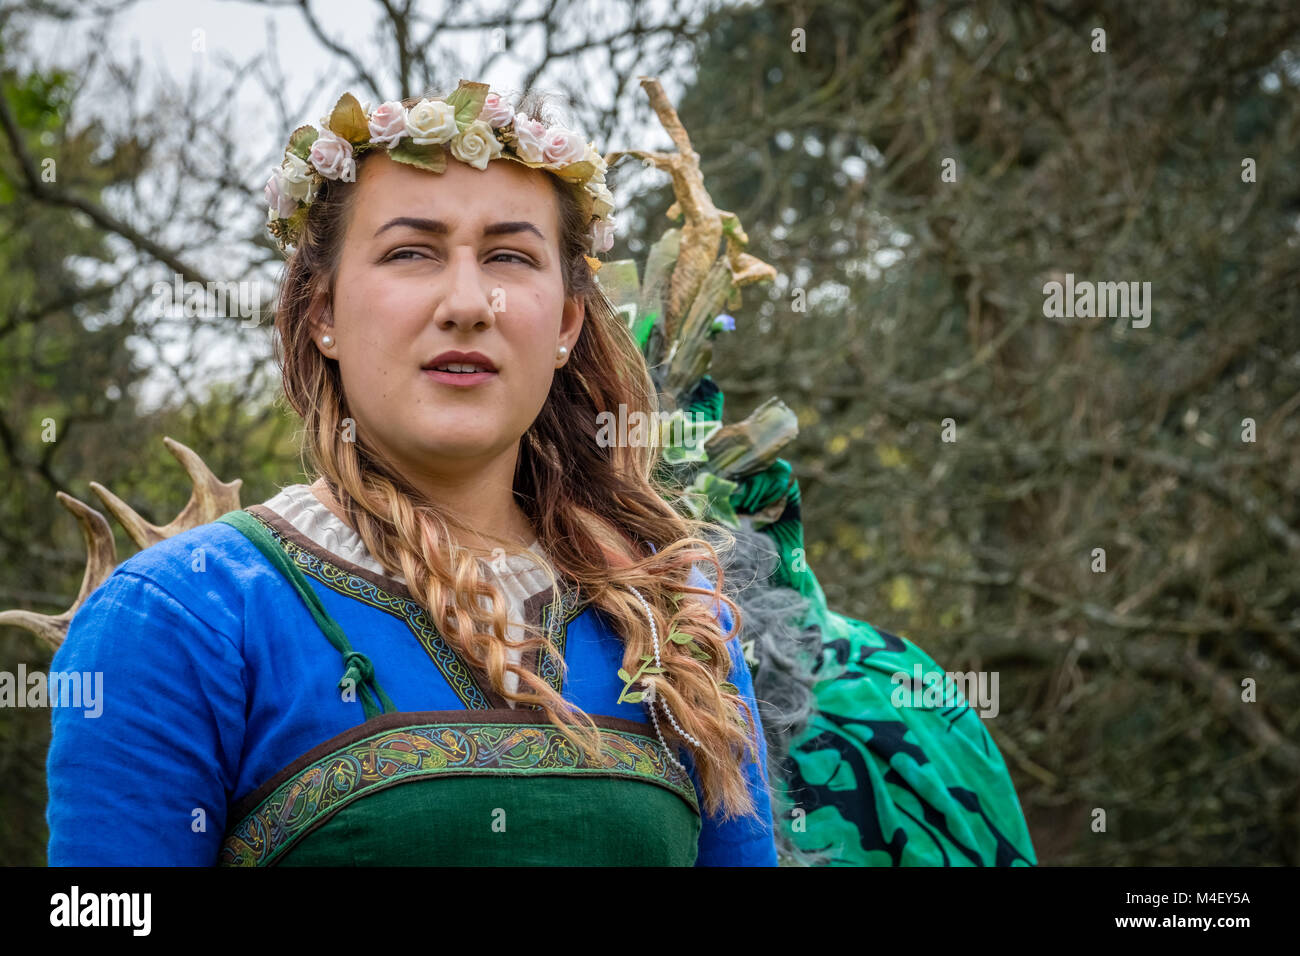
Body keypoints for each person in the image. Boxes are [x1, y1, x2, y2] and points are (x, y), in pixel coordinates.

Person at [44, 82, 778, 866]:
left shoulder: (676, 619)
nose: (468, 303)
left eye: (508, 255)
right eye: (410, 252)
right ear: (321, 311)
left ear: (566, 322)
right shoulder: (183, 617)